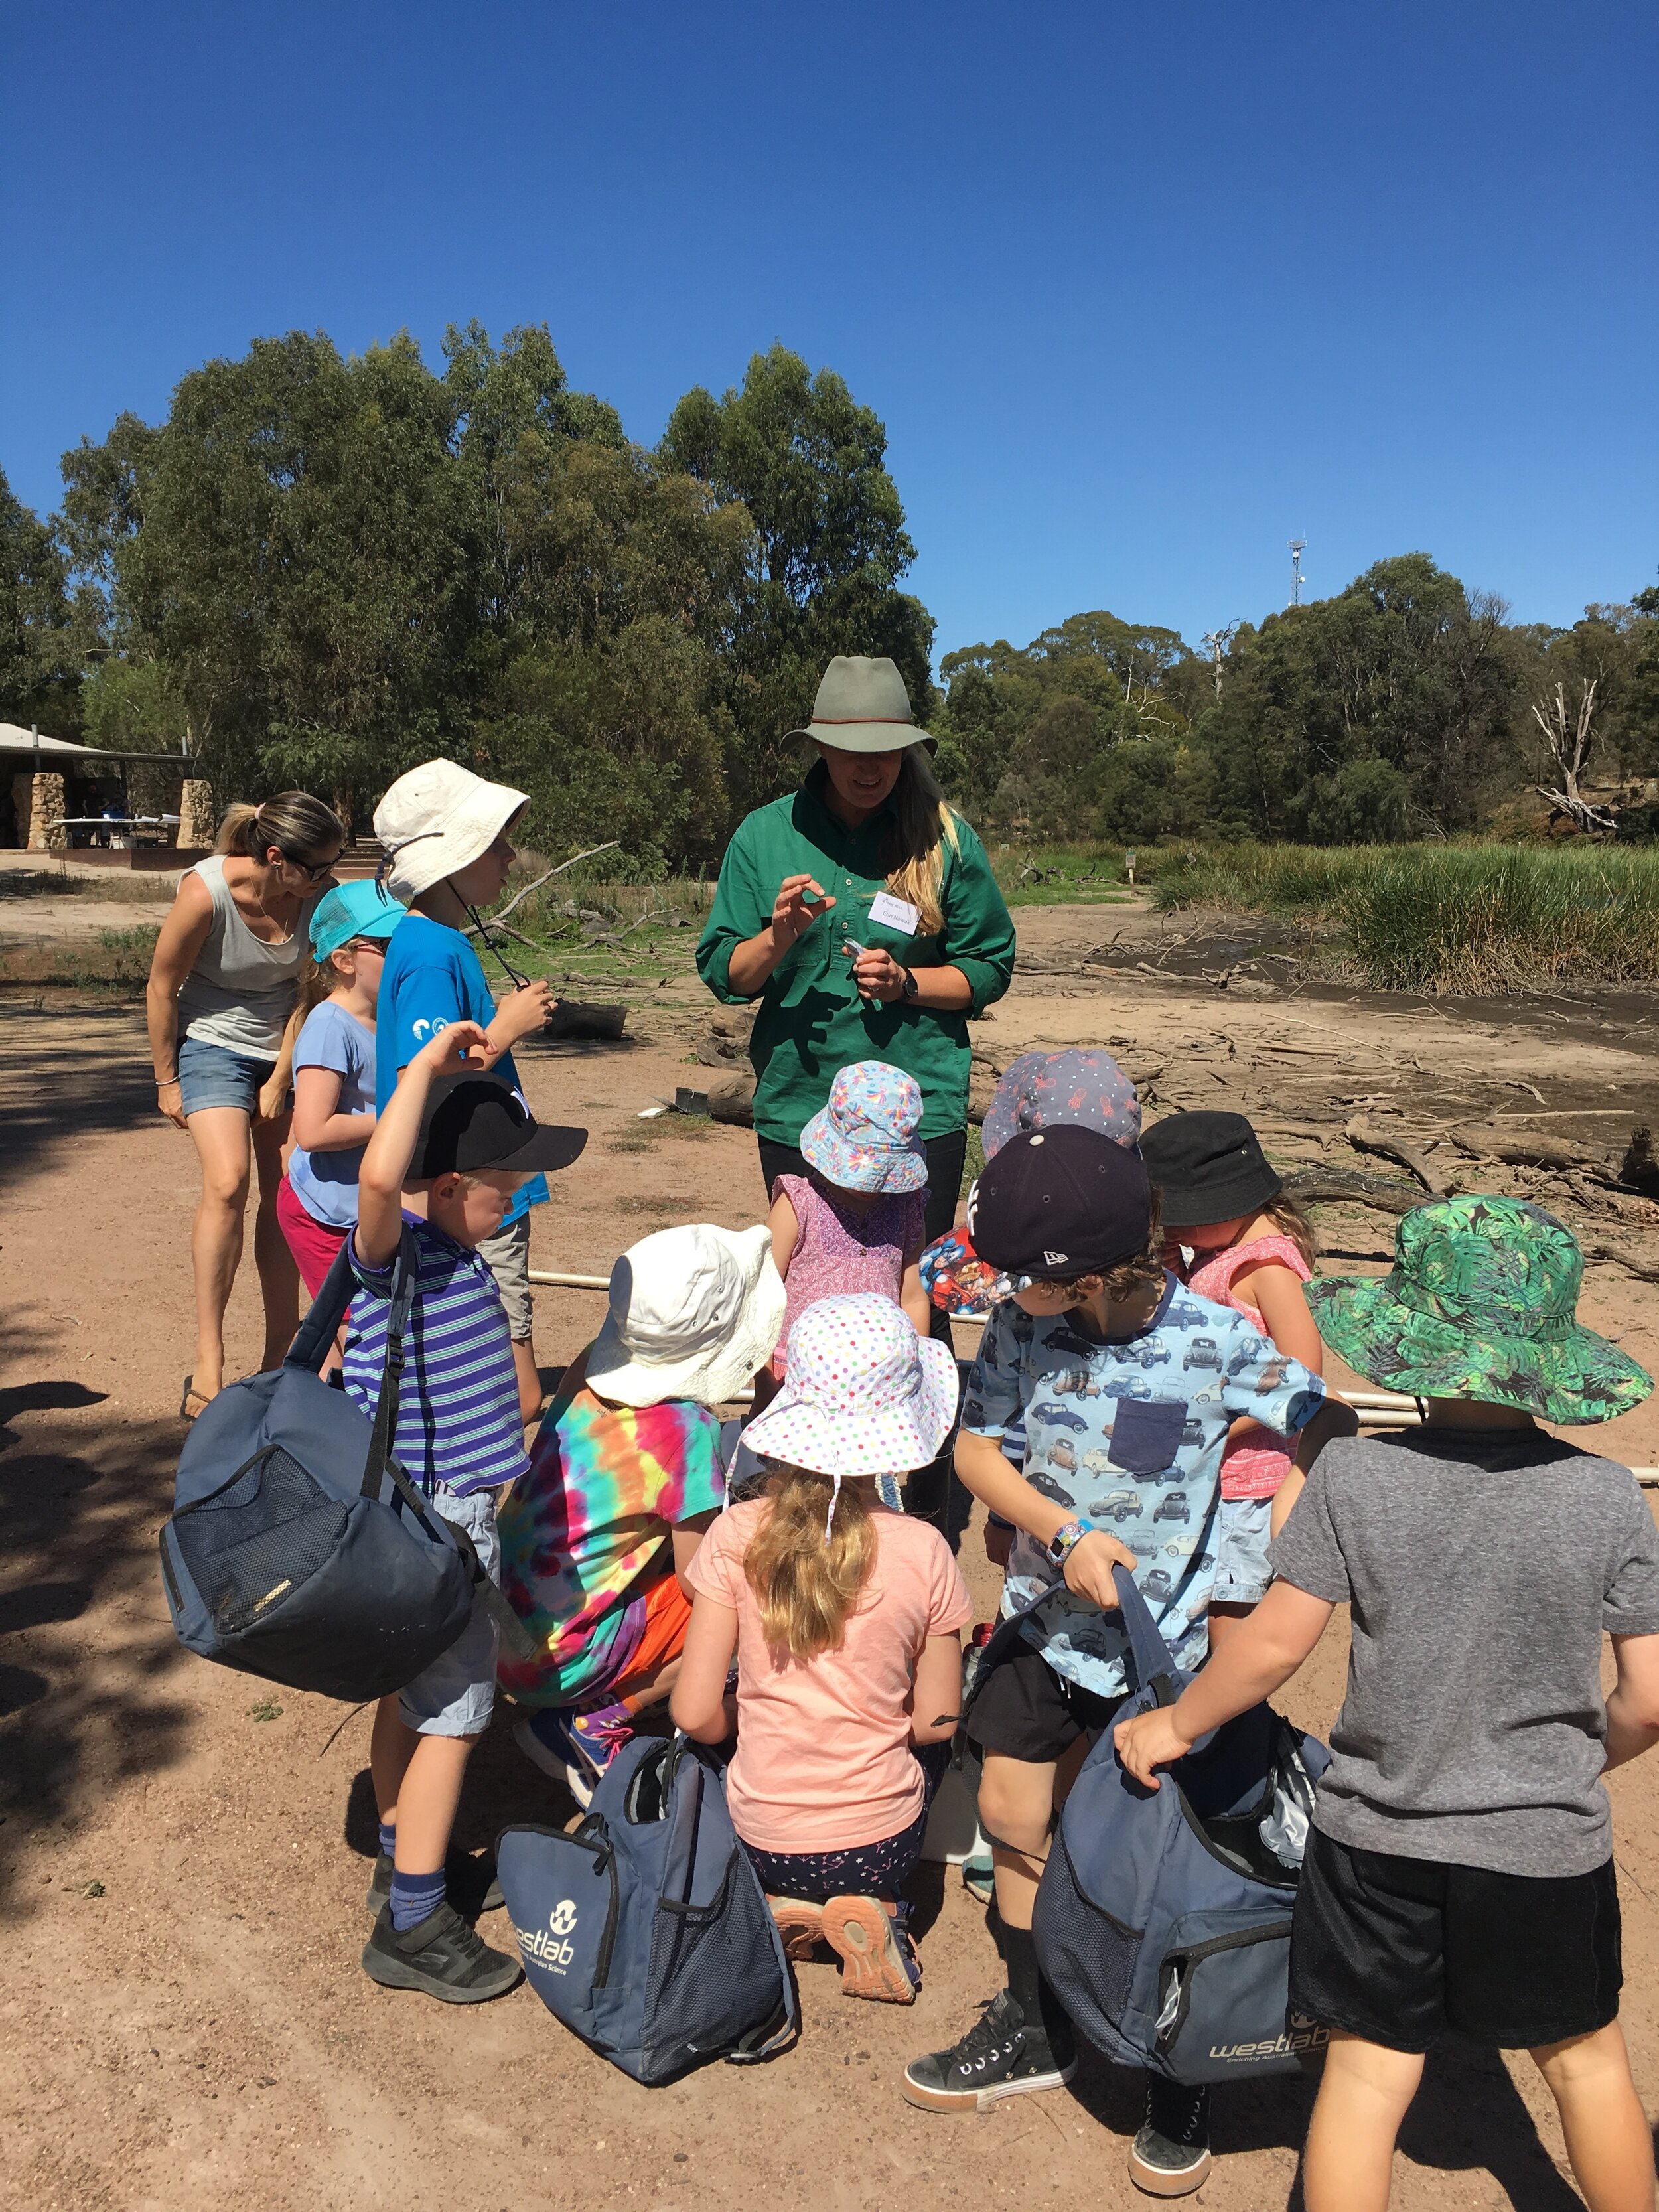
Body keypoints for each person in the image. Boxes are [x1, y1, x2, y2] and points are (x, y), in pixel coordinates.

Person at [1116, 1197, 1659, 2212]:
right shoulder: (1605, 1497)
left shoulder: (1355, 1477)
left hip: (1381, 1840)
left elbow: (1276, 1641)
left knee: (1370, 2071)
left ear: (1408, 1338)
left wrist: (1174, 1723)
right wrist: (1575, 1765)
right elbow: (1651, 1699)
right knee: (1584, 2063)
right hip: (1546, 1841)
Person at [904, 1126, 1351, 2197]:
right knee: (1014, 1815)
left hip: (1173, 1652)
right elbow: (975, 1448)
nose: (1004, 1291)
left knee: (1172, 1862)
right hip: (1046, 1625)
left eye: (1024, 1274)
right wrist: (1060, 1532)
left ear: (1095, 1276)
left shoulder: (1208, 1335)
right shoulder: (1019, 1328)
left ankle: (1178, 2051)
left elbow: (1317, 1412)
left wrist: (1293, 1514)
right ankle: (1038, 2012)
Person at [697, 655, 1016, 1521]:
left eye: (886, 750)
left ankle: (922, 1515)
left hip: (921, 1119)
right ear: (819, 747)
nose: (868, 767)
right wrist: (779, 935)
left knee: (916, 1298)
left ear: (910, 749)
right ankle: (792, 1507)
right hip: (802, 1108)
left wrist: (911, 986)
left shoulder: (944, 837)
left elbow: (990, 968)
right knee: (799, 1298)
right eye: (848, 750)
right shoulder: (765, 837)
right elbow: (725, 972)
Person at [349, 1023, 586, 2002]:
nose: (522, 1194)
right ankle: (413, 1923)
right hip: (432, 1524)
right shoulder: (396, 1252)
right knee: (454, 1716)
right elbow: (376, 1181)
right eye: (507, 1181)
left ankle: (408, 1853)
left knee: (412, 1699)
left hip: (437, 1518)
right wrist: (419, 1072)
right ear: (446, 1185)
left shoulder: (459, 1258)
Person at [672, 1294, 971, 2004]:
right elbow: (936, 1720)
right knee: (933, 1743)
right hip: (878, 1838)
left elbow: (691, 1709)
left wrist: (745, 1720)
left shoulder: (736, 1533)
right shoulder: (924, 1548)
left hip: (763, 1827)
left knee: (713, 1738)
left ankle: (776, 1900)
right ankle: (883, 1913)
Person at [498, 1220, 785, 1805]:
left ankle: (604, 1687)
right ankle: (597, 1719)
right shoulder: (685, 1432)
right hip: (558, 1662)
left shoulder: (586, 1372)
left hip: (500, 1627)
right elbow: (698, 1578)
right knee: (735, 1598)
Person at [373, 760, 562, 1424]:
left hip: (479, 1180)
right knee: (517, 1391)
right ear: (450, 857)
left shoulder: (437, 941)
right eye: (494, 842)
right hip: (475, 1188)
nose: (510, 855)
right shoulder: (430, 951)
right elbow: (419, 1077)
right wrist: (504, 1031)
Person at [146, 792, 344, 1417]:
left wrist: (283, 1074)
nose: (327, 879)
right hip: (211, 1044)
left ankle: (280, 1354)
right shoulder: (206, 893)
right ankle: (209, 1360)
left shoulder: (314, 897)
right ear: (277, 856)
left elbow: (311, 991)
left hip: (287, 1044)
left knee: (287, 1189)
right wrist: (165, 1080)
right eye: (318, 868)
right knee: (228, 1182)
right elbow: (160, 985)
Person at [1140, 1110, 1323, 1649]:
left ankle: (1230, 1722)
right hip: (1215, 1469)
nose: (1172, 1229)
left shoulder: (1265, 1267)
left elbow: (1303, 1378)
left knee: (1229, 1620)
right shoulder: (1220, 1255)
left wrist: (1210, 1429)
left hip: (1248, 1477)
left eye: (1180, 1218)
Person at [755, 1059, 932, 1475]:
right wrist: (765, 1385)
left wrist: (912, 1371)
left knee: (861, 1490)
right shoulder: (798, 1204)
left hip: (876, 1383)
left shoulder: (907, 1208)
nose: (871, 1186)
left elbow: (912, 1294)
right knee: (792, 1489)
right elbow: (760, 1299)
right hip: (798, 1381)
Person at [275, 879, 407, 1303]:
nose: (403, 955)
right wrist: (398, 1117)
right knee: (350, 1332)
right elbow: (312, 1131)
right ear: (344, 960)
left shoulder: (388, 1019)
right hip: (324, 1214)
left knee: (365, 1328)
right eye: (388, 946)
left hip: (363, 1208)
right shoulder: (330, 1026)